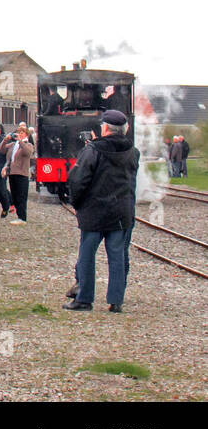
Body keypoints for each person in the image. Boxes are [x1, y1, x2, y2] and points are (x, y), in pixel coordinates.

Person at [64, 110, 139, 312]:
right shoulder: (133, 151)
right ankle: (116, 301)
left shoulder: (93, 150)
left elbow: (78, 179)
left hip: (94, 211)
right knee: (117, 256)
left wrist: (76, 203)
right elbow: (132, 184)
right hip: (120, 212)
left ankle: (84, 299)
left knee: (87, 255)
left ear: (105, 128)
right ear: (124, 129)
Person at [0, 123, 34, 225]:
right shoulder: (13, 145)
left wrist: (20, 141)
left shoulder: (28, 144)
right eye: (18, 132)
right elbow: (1, 150)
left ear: (26, 135)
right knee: (15, 195)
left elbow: (28, 152)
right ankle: (19, 216)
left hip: (22, 174)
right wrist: (6, 139)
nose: (19, 134)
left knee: (21, 196)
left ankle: (22, 217)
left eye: (22, 132)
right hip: (12, 173)